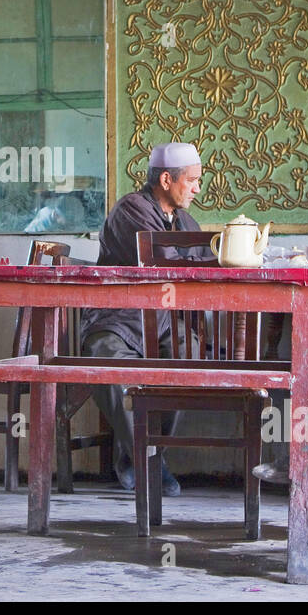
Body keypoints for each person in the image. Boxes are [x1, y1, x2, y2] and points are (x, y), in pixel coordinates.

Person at [80, 141, 213, 496]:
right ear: (167, 179)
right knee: (111, 364)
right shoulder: (131, 209)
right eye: (193, 180)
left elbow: (206, 263)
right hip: (114, 320)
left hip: (161, 321)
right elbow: (163, 260)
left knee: (192, 356)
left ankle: (138, 457)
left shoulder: (182, 219)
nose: (198, 188)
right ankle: (150, 461)